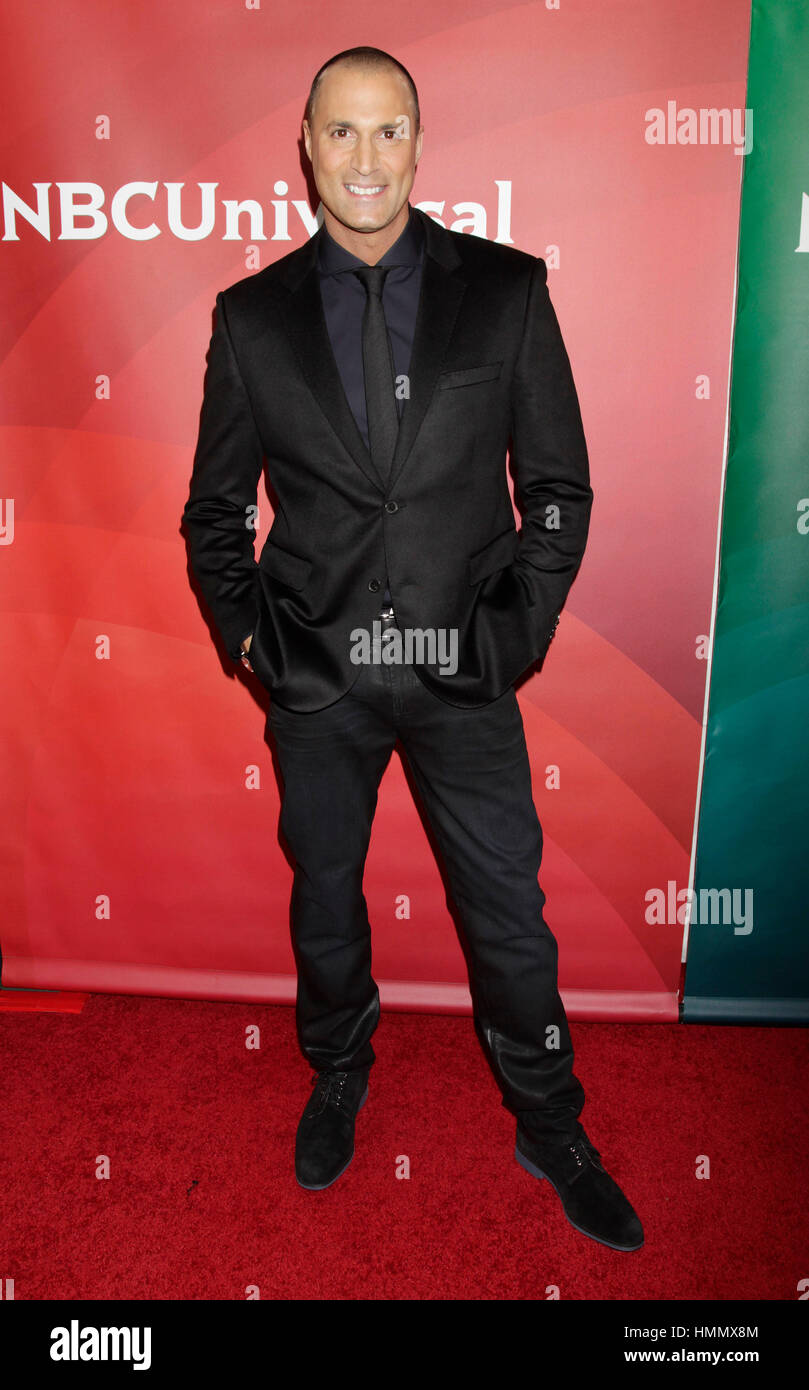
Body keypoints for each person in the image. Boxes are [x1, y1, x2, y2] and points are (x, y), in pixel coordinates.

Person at [182, 46, 643, 1252]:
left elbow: (557, 492)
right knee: (326, 900)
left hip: (463, 672)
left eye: (387, 130)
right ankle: (338, 1068)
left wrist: (512, 637)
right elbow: (214, 515)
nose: (365, 158)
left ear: (419, 143)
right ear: (305, 147)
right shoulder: (250, 319)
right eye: (341, 131)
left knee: (507, 912)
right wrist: (255, 646)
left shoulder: (506, 291)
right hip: (317, 678)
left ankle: (549, 1120)